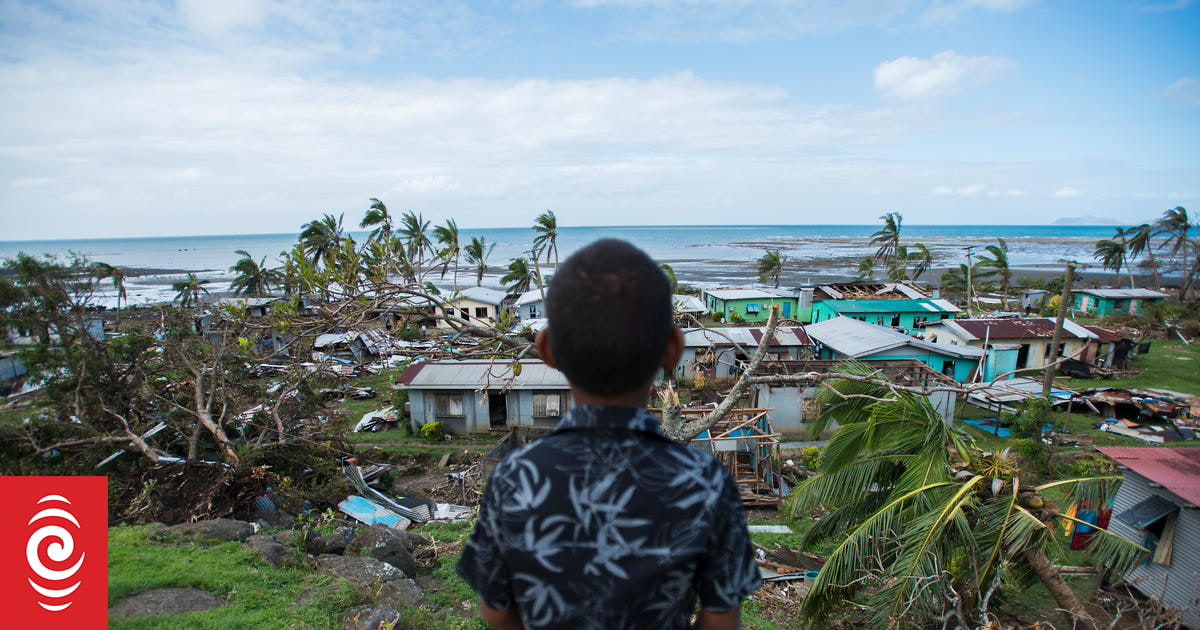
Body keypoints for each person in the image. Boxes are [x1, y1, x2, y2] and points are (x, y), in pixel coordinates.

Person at [456, 239, 760, 630]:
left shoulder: (515, 477)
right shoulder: (705, 481)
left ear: (547, 350)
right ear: (673, 349)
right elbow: (721, 618)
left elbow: (495, 611)